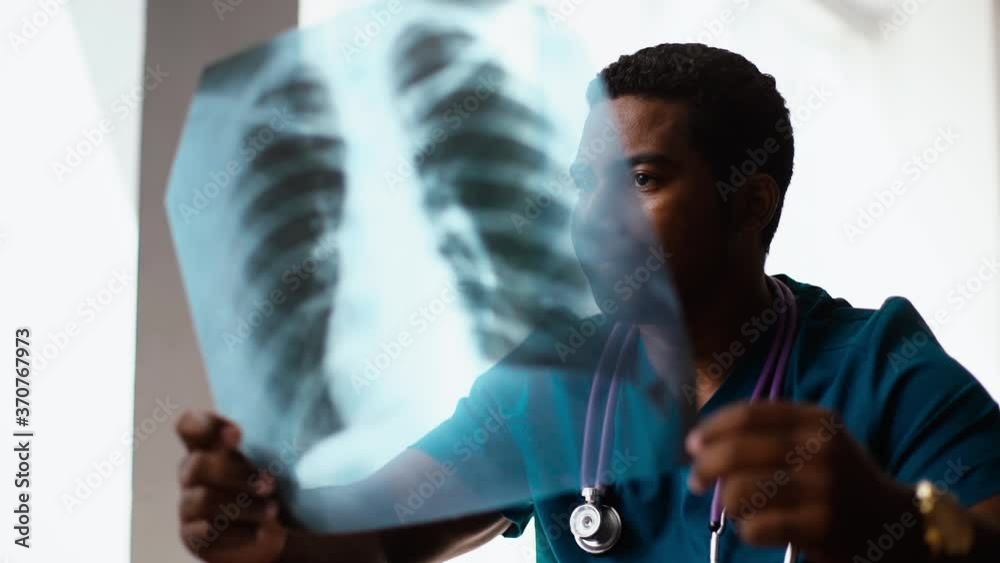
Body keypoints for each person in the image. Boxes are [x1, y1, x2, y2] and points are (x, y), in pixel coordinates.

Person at [176, 43, 1000, 562]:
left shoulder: (880, 367)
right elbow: (386, 534)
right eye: (581, 184)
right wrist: (268, 521)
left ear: (752, 204)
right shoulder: (552, 382)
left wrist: (900, 526)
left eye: (642, 180)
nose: (594, 218)